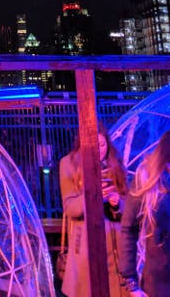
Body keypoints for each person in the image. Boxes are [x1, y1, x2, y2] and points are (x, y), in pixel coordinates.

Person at [118, 128, 170, 297]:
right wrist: (131, 282)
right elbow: (128, 229)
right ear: (162, 161)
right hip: (159, 281)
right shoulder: (148, 184)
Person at [59, 125, 129, 297]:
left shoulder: (114, 162)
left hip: (116, 243)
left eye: (103, 144)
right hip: (86, 245)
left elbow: (128, 207)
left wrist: (116, 202)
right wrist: (93, 194)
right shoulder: (69, 163)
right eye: (94, 144)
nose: (99, 149)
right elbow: (70, 209)